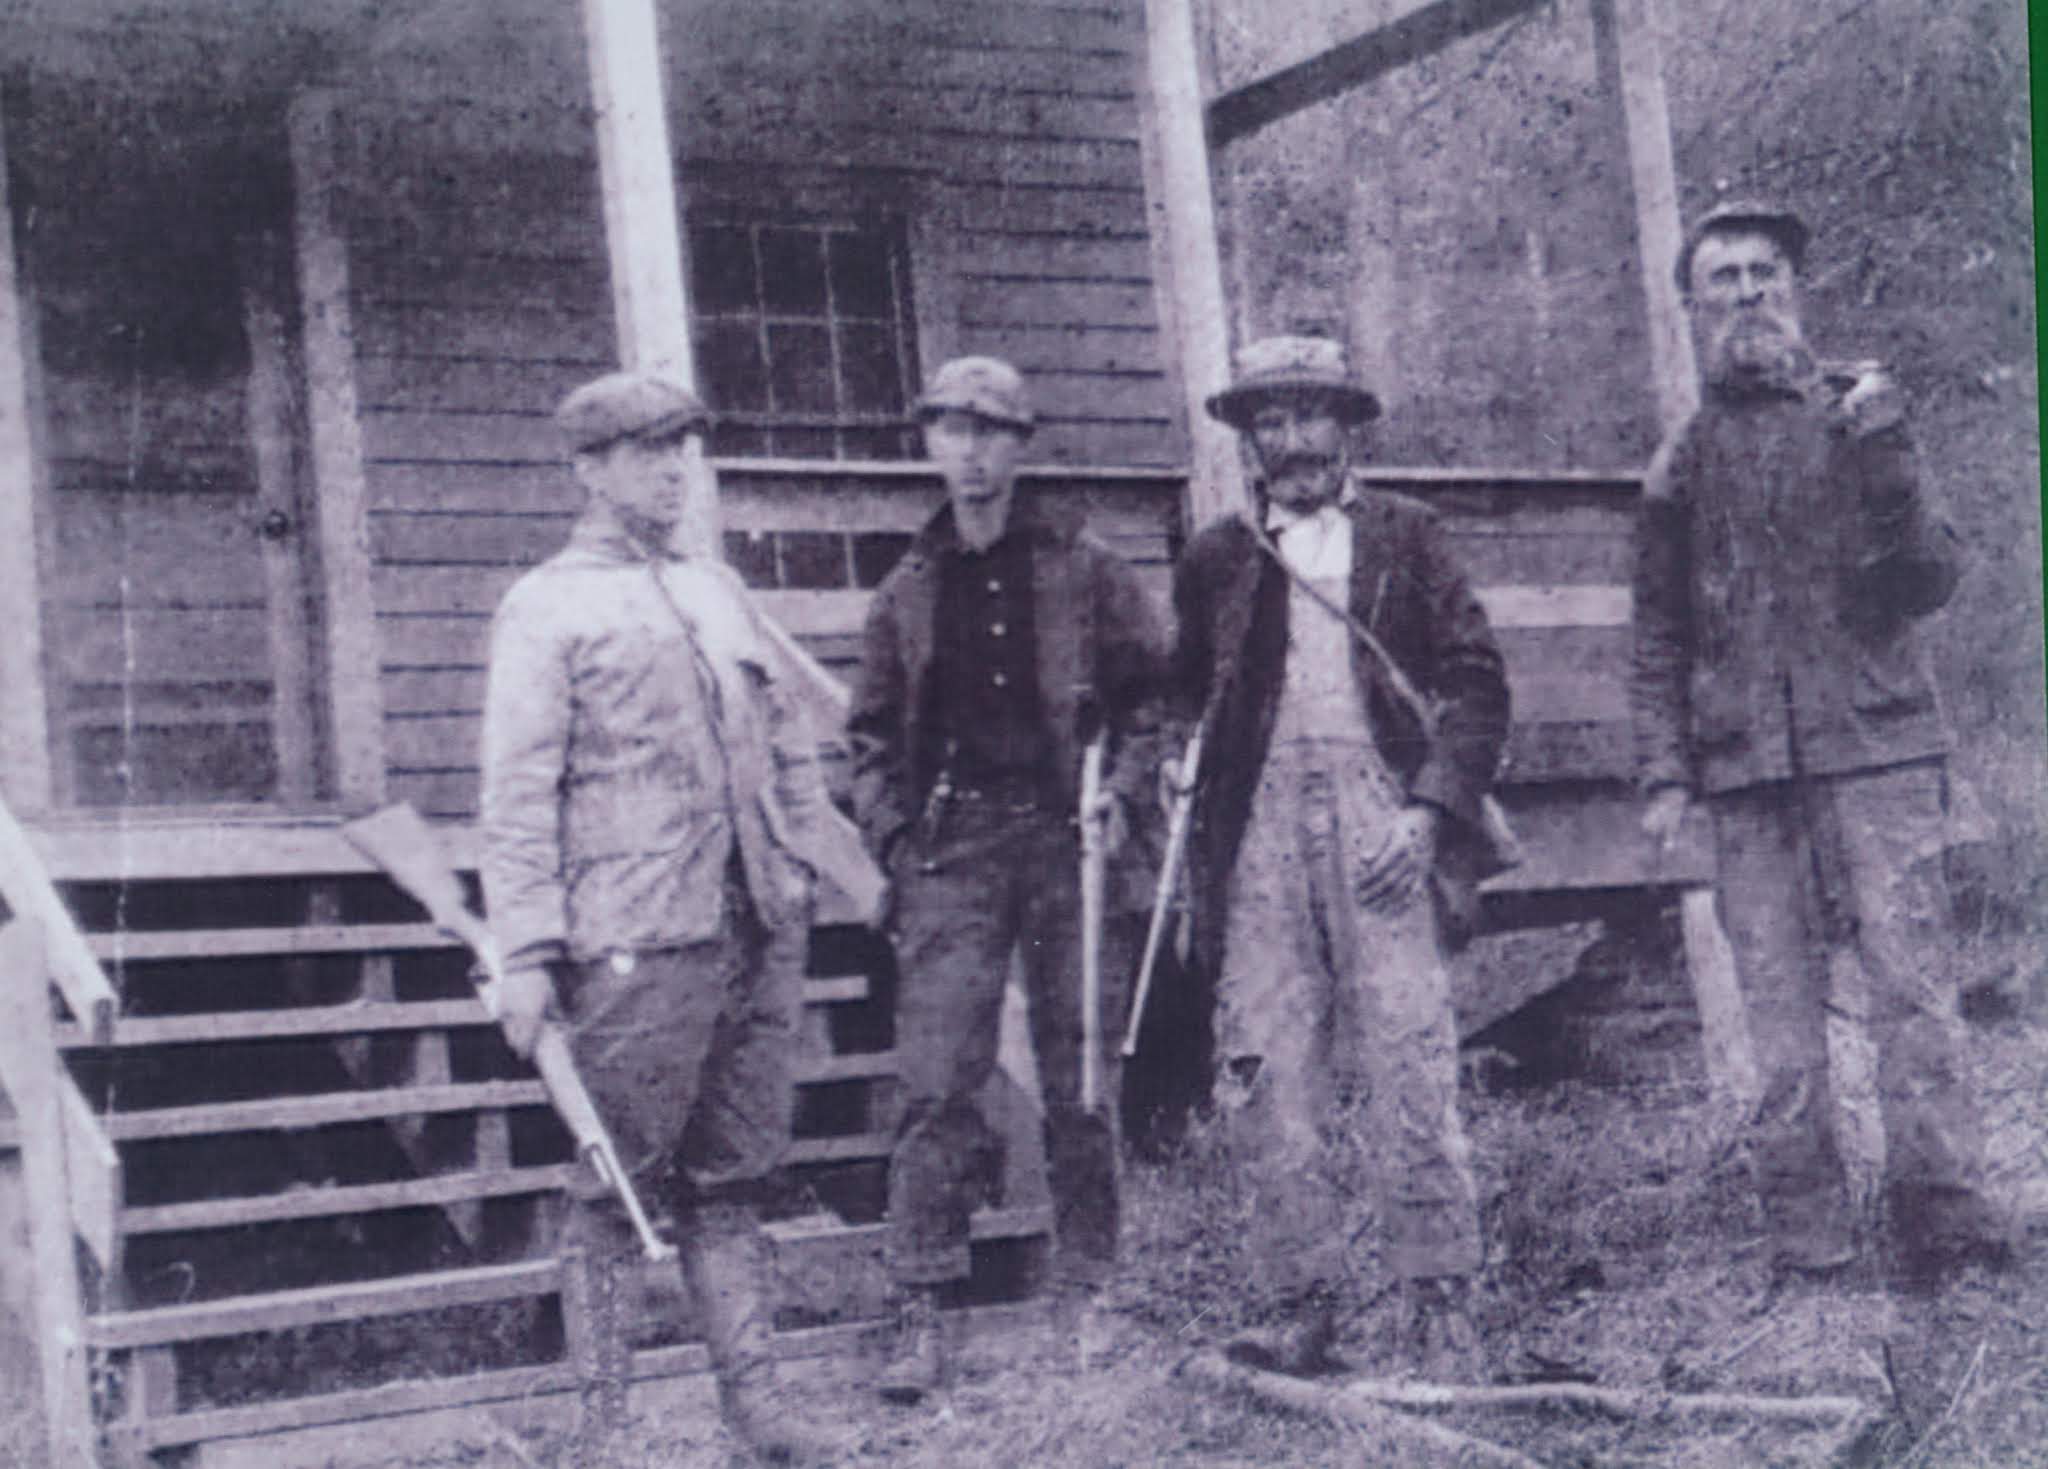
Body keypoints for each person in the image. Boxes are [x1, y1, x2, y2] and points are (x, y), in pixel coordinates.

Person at [1633, 200, 2011, 1288]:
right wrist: (1664, 771)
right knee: (1780, 1024)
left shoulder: (1862, 415)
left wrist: (1888, 453)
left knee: (1914, 998)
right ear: (1692, 306)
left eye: (1766, 273)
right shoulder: (1678, 465)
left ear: (1795, 290)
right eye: (1724, 279)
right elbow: (1656, 634)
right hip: (1747, 777)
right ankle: (1809, 1248)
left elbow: (1931, 579)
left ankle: (1951, 1233)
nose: (1748, 294)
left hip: (1879, 758)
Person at [480, 370, 838, 1465]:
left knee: (732, 1177)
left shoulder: (715, 589)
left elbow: (787, 746)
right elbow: (516, 791)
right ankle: (604, 1432)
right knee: (615, 1183)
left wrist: (805, 867)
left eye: (683, 448)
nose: (675, 471)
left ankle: (757, 1414)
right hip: (634, 936)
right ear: (587, 470)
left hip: (754, 921)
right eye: (648, 451)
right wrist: (527, 949)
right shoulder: (547, 605)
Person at [1168, 335, 1511, 1379]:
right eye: (1270, 420)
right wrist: (1171, 762)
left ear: (1348, 426)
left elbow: (1478, 684)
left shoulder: (1410, 535)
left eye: (1311, 413)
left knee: (1410, 1059)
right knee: (1268, 1071)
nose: (1293, 440)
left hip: (1382, 824)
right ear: (1249, 440)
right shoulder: (1218, 556)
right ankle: (1300, 1307)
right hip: (1258, 835)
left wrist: (1427, 813)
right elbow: (1182, 693)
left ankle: (1440, 1302)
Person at [847, 355, 1169, 1403]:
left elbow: (1149, 699)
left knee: (1081, 1074)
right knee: (937, 1077)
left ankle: (1091, 1290)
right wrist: (898, 843)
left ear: (1021, 445)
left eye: (991, 431)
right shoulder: (906, 588)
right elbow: (866, 739)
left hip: (1070, 840)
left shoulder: (1085, 567)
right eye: (952, 430)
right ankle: (920, 1303)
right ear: (929, 443)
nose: (972, 451)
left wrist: (1120, 789)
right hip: (955, 850)